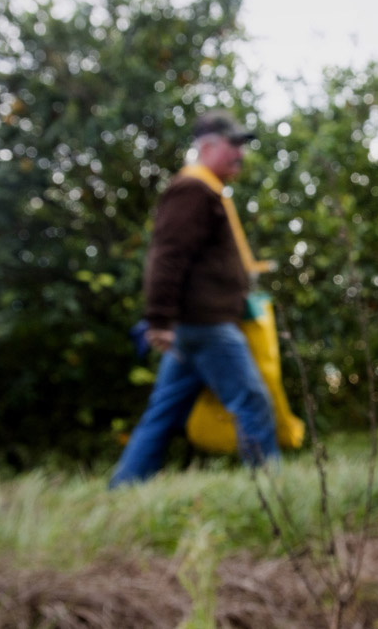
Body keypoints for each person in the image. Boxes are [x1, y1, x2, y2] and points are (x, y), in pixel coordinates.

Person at [110, 111, 279, 488]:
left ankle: (124, 487)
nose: (241, 154)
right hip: (207, 325)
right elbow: (167, 255)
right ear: (207, 146)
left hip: (195, 325)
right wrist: (158, 319)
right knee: (252, 402)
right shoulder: (192, 190)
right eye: (234, 145)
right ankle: (272, 490)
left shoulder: (207, 190)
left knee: (163, 413)